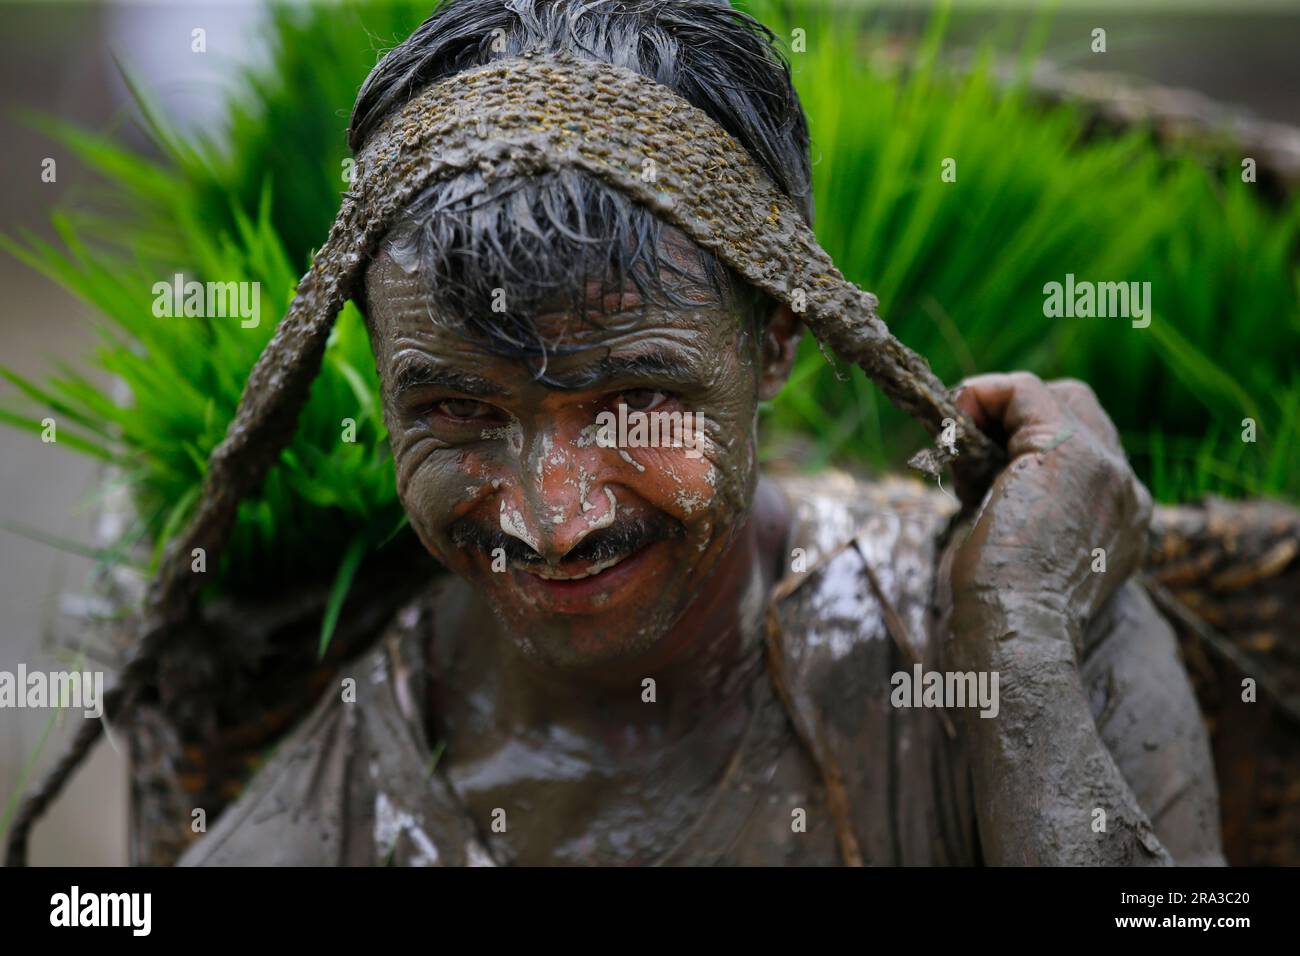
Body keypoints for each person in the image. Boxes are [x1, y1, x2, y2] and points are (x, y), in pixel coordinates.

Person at [178, 0, 1222, 866]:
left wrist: (1021, 635)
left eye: (632, 403)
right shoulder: (320, 826)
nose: (551, 519)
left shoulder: (1015, 633)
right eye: (459, 411)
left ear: (774, 341)